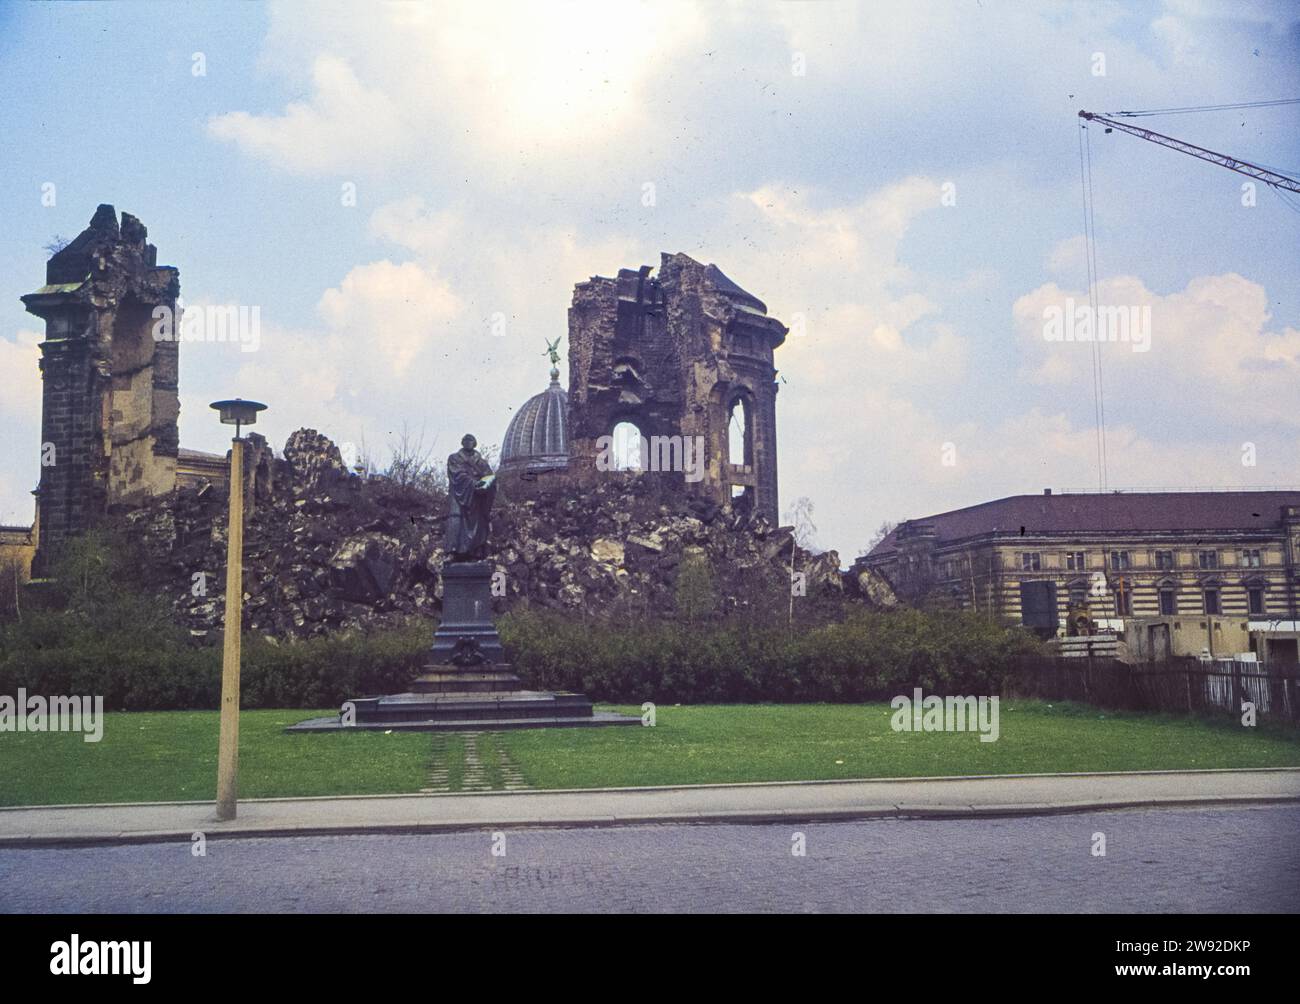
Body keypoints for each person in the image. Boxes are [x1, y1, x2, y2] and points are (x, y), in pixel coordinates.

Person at [444, 434, 496, 561]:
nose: (468, 442)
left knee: (478, 521)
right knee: (455, 519)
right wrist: (474, 483)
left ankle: (475, 552)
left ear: (475, 443)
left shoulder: (482, 462)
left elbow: (490, 477)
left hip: (476, 497)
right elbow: (457, 474)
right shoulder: (454, 458)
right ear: (462, 442)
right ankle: (452, 552)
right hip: (458, 494)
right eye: (466, 440)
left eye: (471, 440)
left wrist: (486, 485)